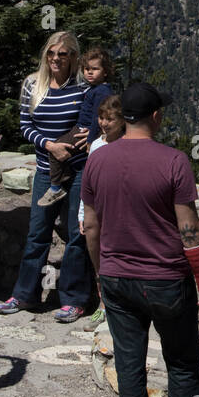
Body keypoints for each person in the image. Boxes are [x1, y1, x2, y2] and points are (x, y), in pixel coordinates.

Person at [81, 83, 199, 397]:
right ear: (156, 116)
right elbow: (190, 231)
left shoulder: (97, 160)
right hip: (167, 280)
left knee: (129, 367)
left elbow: (90, 227)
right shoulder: (174, 161)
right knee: (184, 363)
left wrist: (99, 274)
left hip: (116, 276)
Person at [0, 31, 93, 323]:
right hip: (45, 169)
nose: (55, 59)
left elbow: (90, 120)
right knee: (38, 233)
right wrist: (50, 145)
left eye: (62, 54)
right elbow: (25, 125)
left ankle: (74, 300)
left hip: (78, 170)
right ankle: (24, 294)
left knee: (76, 235)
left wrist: (83, 140)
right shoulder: (32, 84)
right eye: (51, 53)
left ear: (74, 58)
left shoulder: (83, 86)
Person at [38, 47, 115, 208]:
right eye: (87, 69)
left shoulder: (101, 91)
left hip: (83, 130)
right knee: (62, 148)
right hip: (81, 128)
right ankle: (63, 176)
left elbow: (97, 117)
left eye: (95, 69)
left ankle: (56, 187)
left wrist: (90, 139)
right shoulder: (97, 88)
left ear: (105, 71)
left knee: (55, 150)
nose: (89, 73)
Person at [77, 93, 124, 328]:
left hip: (119, 212)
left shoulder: (126, 145)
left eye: (110, 119)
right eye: (101, 118)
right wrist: (81, 214)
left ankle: (118, 307)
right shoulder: (95, 144)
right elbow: (87, 184)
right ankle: (103, 304)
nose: (104, 124)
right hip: (97, 211)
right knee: (99, 261)